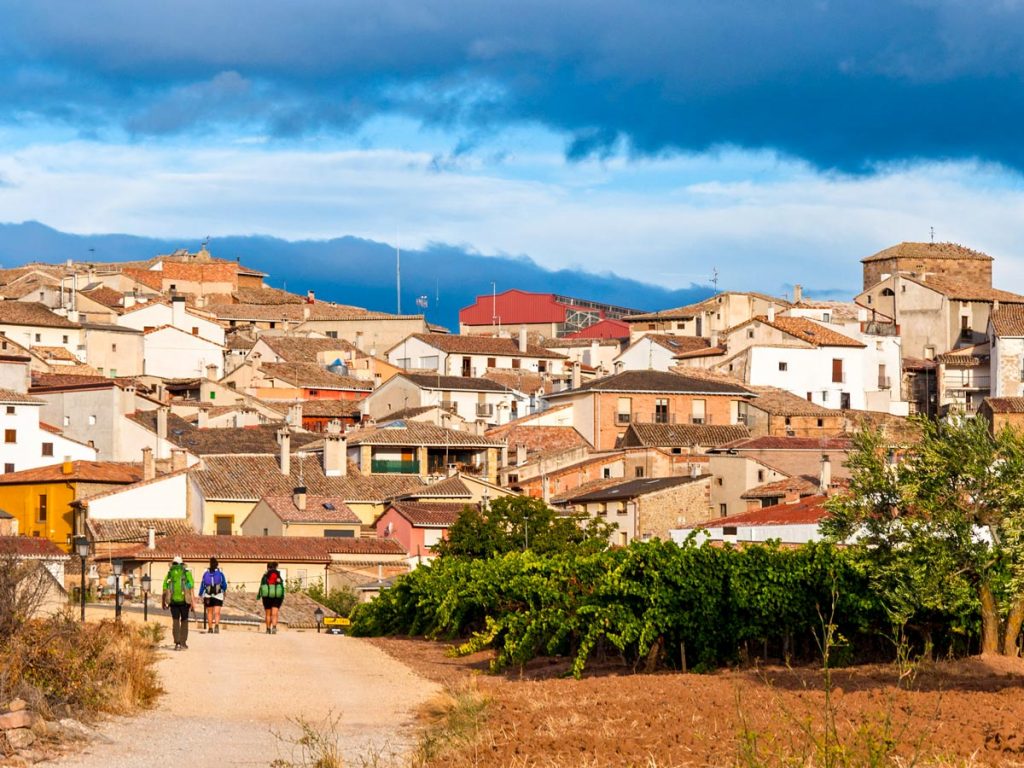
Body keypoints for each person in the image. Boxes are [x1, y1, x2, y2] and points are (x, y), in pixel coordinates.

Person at [162, 556, 195, 651]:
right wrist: (192, 600)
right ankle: (183, 642)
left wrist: (164, 601)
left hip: (172, 601)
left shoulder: (170, 573)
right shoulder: (186, 572)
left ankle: (177, 643)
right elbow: (191, 585)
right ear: (182, 563)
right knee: (184, 620)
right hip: (185, 601)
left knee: (175, 621)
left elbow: (165, 586)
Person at [198, 557, 228, 634]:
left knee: (209, 612)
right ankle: (217, 626)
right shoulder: (220, 573)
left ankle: (210, 628)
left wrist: (200, 594)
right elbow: (224, 584)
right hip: (218, 594)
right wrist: (224, 591)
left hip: (208, 595)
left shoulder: (206, 573)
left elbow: (203, 584)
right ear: (217, 565)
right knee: (217, 612)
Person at [258, 562, 285, 634]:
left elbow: (261, 586)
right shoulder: (278, 575)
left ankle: (267, 629)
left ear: (268, 568)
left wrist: (259, 596)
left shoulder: (265, 576)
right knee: (274, 613)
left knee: (268, 614)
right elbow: (281, 586)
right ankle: (274, 628)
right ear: (276, 567)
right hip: (277, 596)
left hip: (267, 596)